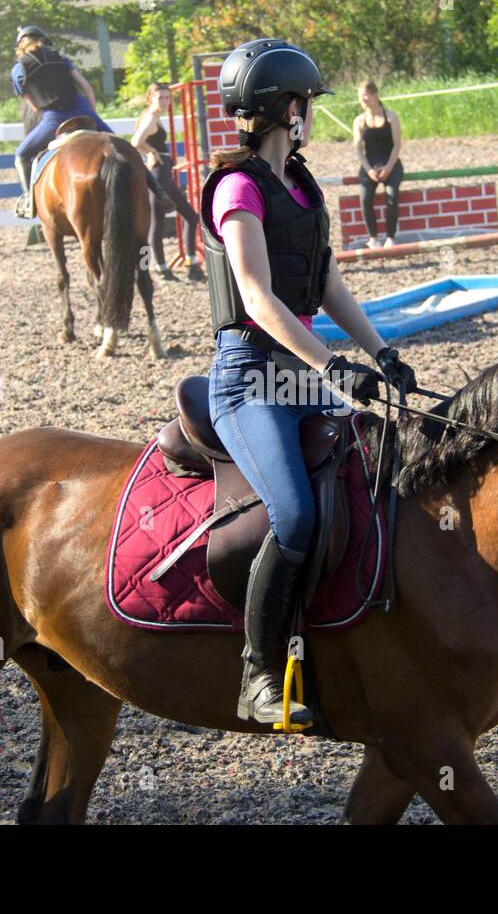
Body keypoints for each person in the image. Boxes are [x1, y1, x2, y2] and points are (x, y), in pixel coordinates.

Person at [200, 39, 417, 726]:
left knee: (383, 468)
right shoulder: (237, 190)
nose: (313, 116)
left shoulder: (300, 184)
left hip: (301, 375)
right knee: (294, 515)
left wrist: (380, 350)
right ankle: (258, 674)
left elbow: (321, 282)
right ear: (288, 110)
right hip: (249, 382)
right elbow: (260, 300)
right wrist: (330, 365)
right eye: (309, 105)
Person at [10, 26, 173, 219]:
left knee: (21, 155)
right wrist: (91, 113)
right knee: (125, 148)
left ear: (20, 47)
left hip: (54, 117)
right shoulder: (61, 59)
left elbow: (35, 106)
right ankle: (159, 192)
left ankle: (29, 201)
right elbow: (86, 86)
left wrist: (50, 118)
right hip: (82, 109)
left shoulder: (18, 70)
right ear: (45, 41)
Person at [132, 82, 203, 280]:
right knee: (157, 223)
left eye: (167, 97)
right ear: (150, 98)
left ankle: (191, 263)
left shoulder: (153, 116)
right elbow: (136, 142)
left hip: (164, 173)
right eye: (160, 97)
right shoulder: (151, 118)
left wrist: (152, 152)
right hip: (158, 174)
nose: (165, 101)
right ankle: (160, 267)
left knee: (190, 216)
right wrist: (152, 152)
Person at [352, 82, 404, 248]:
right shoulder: (359, 121)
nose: (363, 99)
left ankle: (391, 237)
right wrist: (369, 170)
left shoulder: (391, 116)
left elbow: (397, 145)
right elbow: (358, 149)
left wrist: (388, 168)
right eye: (360, 96)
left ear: (375, 95)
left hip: (391, 162)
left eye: (365, 95)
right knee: (366, 199)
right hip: (370, 165)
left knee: (392, 195)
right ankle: (373, 238)